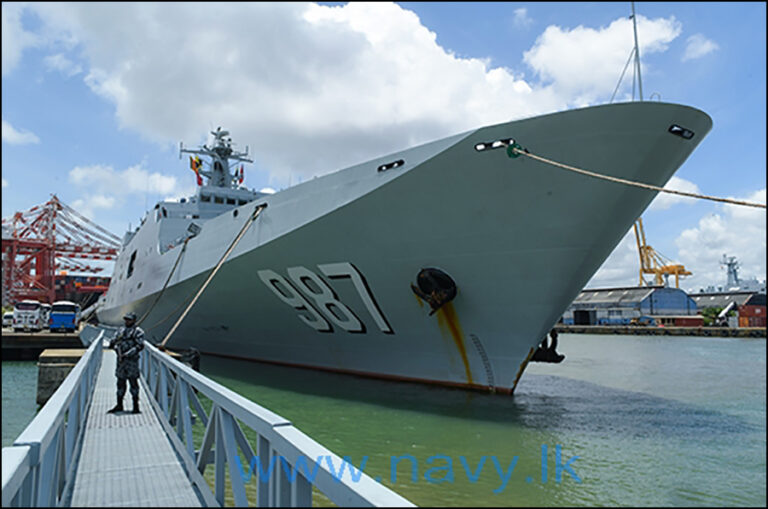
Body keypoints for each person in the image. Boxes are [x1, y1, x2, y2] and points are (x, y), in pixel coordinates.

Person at [107, 312, 145, 414]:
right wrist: (116, 349)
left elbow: (140, 346)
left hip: (131, 361)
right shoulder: (120, 331)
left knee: (133, 384)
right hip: (121, 362)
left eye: (129, 319)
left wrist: (128, 354)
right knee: (120, 383)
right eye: (126, 319)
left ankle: (135, 406)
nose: (127, 321)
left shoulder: (138, 332)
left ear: (134, 320)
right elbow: (113, 342)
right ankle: (119, 405)